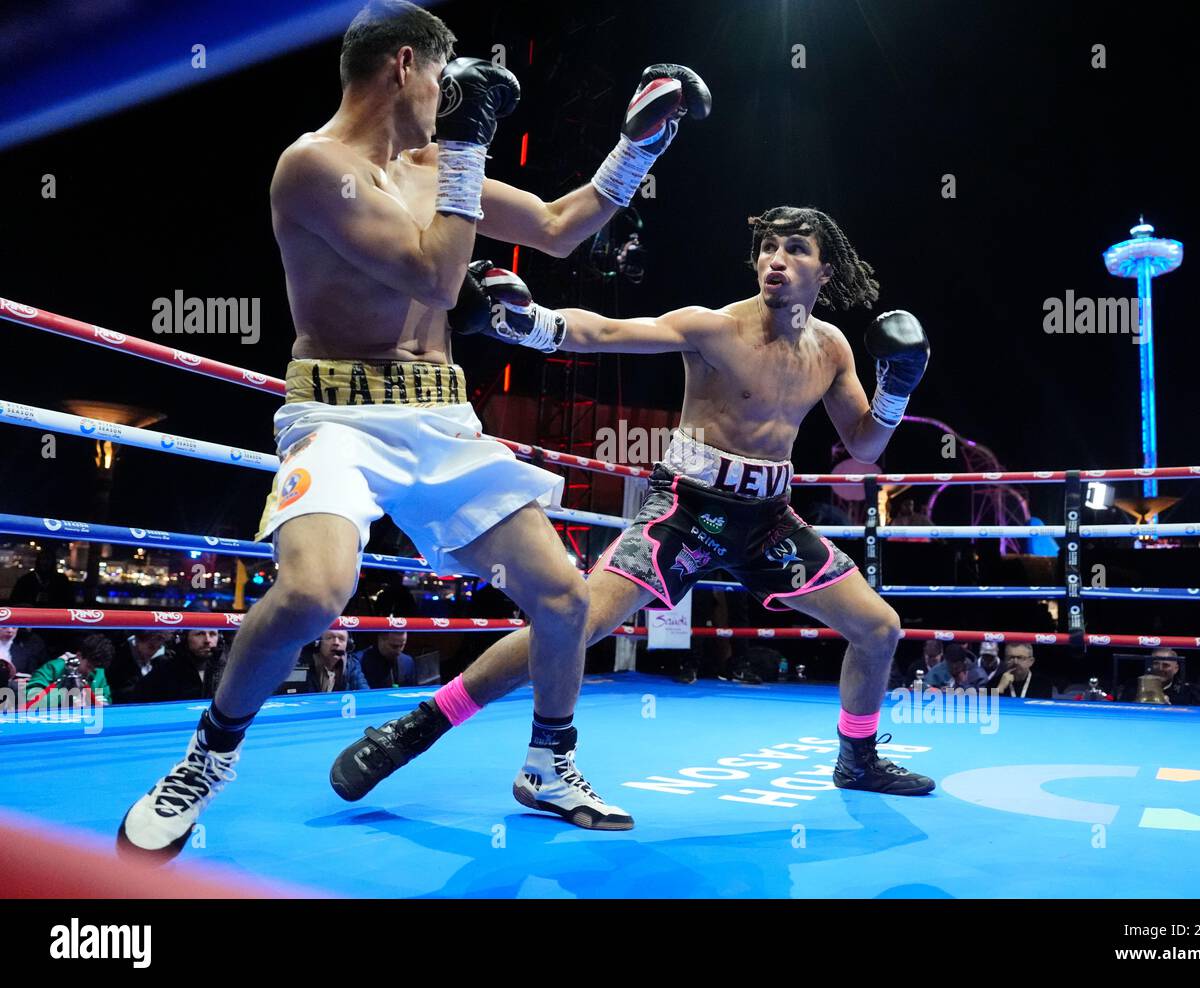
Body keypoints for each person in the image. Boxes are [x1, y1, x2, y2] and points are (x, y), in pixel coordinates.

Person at [119, 0, 710, 858]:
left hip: (441, 416)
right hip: (337, 416)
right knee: (316, 590)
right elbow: (437, 280)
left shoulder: (438, 166)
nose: (448, 93)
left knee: (562, 596)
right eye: (443, 74)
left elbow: (556, 227)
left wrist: (642, 143)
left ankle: (549, 763)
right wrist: (470, 147)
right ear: (405, 65)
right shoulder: (313, 167)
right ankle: (205, 759)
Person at [334, 205, 935, 805]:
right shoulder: (714, 328)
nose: (775, 259)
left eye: (795, 250)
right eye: (768, 247)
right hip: (687, 510)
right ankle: (415, 728)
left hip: (768, 520)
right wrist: (525, 323)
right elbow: (606, 332)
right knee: (575, 622)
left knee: (879, 628)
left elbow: (864, 443)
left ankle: (857, 759)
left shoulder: (830, 348)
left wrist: (896, 388)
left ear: (825, 272)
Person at [23, 634, 115, 707]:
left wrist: (100, 702)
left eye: (94, 669)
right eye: (89, 666)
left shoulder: (98, 671)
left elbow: (106, 699)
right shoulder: (53, 668)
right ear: (79, 655)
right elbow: (30, 697)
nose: (90, 672)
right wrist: (65, 695)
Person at [138, 630, 228, 702]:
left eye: (212, 634)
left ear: (219, 638)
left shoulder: (229, 671)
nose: (208, 640)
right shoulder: (164, 671)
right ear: (184, 638)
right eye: (200, 634)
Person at [105, 631, 172, 705]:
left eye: (158, 647)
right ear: (137, 640)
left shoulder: (160, 660)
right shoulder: (119, 660)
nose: (154, 652)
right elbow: (114, 693)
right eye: (151, 647)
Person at [304, 630, 369, 693]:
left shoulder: (351, 664)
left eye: (341, 639)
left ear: (348, 644)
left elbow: (365, 694)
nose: (336, 642)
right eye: (329, 638)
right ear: (318, 643)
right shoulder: (304, 664)